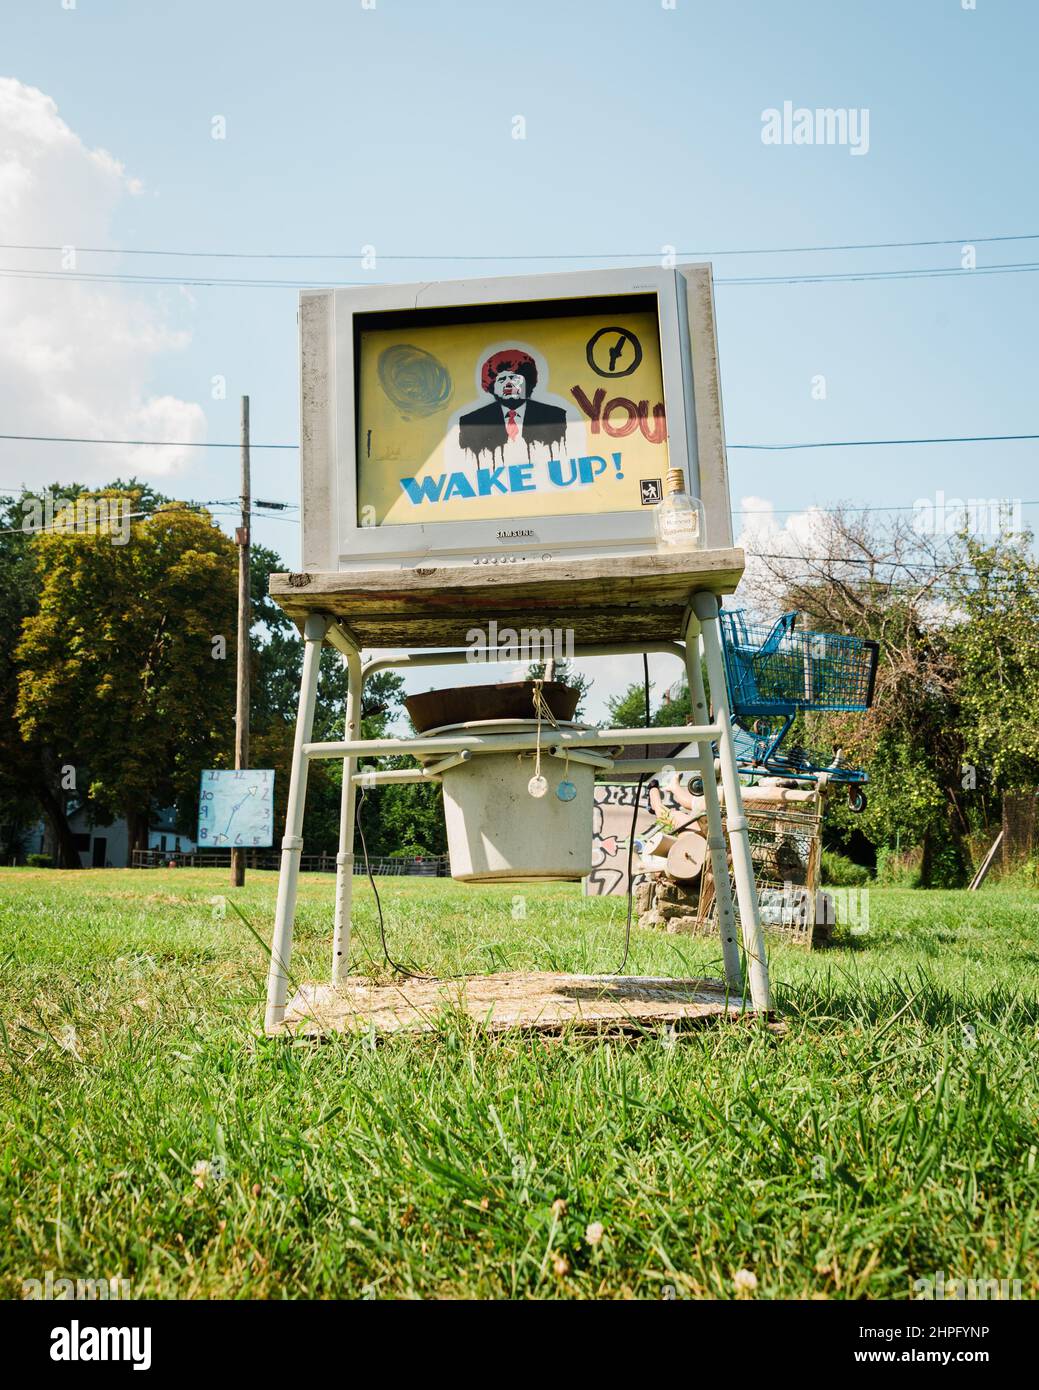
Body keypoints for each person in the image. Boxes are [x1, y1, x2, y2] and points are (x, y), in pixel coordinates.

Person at [458, 349, 568, 462]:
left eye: (514, 378)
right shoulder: (471, 422)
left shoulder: (555, 416)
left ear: (527, 381)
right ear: (492, 387)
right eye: (501, 380)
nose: (508, 384)